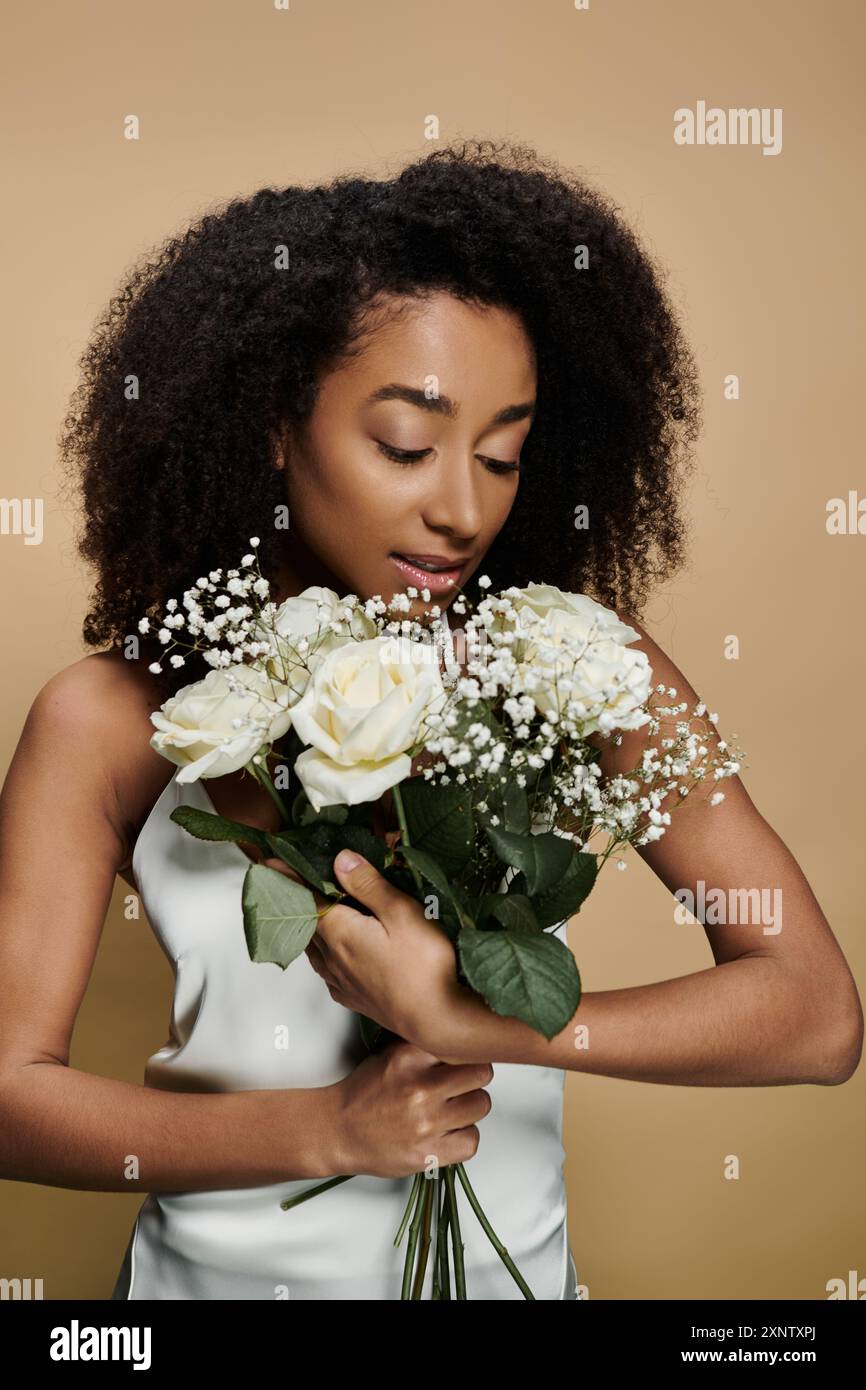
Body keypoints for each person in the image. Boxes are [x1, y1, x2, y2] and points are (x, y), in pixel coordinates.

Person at [0, 140, 860, 1301]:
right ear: (272, 421)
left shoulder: (573, 668)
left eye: (502, 454)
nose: (461, 509)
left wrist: (486, 1022)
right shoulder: (110, 718)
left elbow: (812, 1016)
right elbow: (11, 1096)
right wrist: (331, 1132)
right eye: (405, 445)